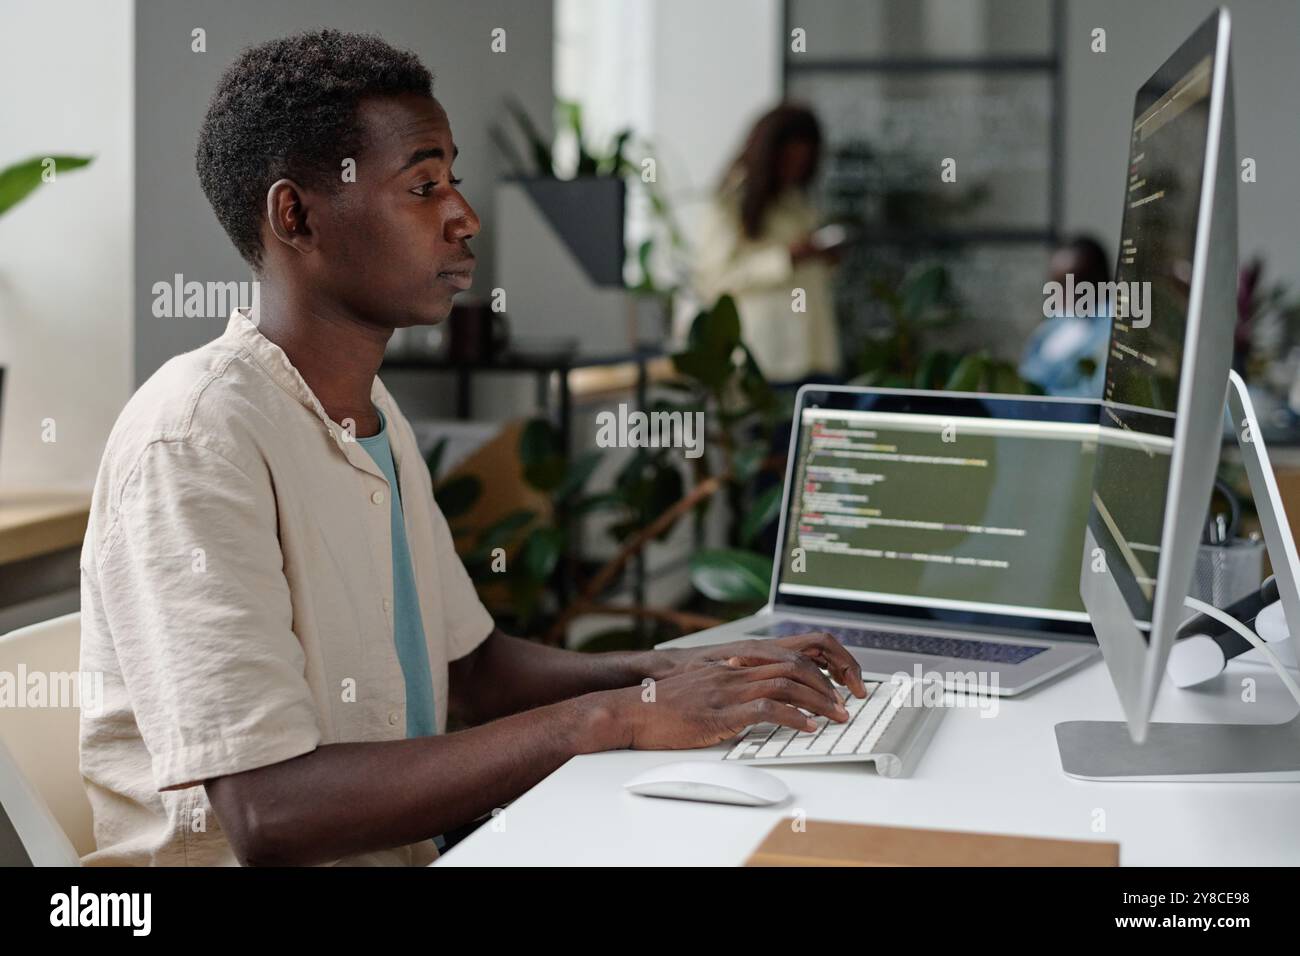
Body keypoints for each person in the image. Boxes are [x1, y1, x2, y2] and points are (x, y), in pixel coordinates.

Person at [78, 30, 866, 867]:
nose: (463, 215)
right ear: (295, 215)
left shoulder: (370, 414)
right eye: (422, 185)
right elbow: (270, 812)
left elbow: (478, 671)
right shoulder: (197, 438)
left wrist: (690, 670)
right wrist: (617, 714)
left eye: (452, 178)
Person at [694, 104, 843, 385]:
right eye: (788, 161)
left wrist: (824, 259)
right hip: (768, 361)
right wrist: (785, 258)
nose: (795, 170)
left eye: (803, 162)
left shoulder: (796, 201)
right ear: (769, 155)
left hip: (814, 355)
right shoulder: (729, 204)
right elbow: (713, 280)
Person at [1018, 236, 1114, 397]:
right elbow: (1025, 373)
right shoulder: (1055, 325)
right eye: (1055, 283)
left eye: (1070, 284)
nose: (1058, 293)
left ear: (1099, 279)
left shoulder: (1112, 329)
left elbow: (1096, 394)